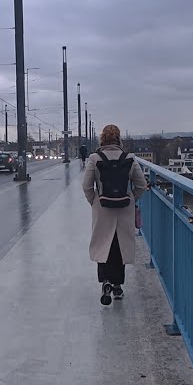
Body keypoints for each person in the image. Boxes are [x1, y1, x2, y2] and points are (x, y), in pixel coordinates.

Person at [82, 124, 148, 305]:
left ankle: (105, 281)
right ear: (119, 139)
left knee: (104, 244)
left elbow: (86, 186)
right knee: (120, 245)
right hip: (124, 208)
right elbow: (141, 185)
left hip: (102, 208)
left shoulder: (94, 158)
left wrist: (94, 202)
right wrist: (131, 199)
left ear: (102, 139)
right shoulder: (129, 158)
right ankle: (118, 286)